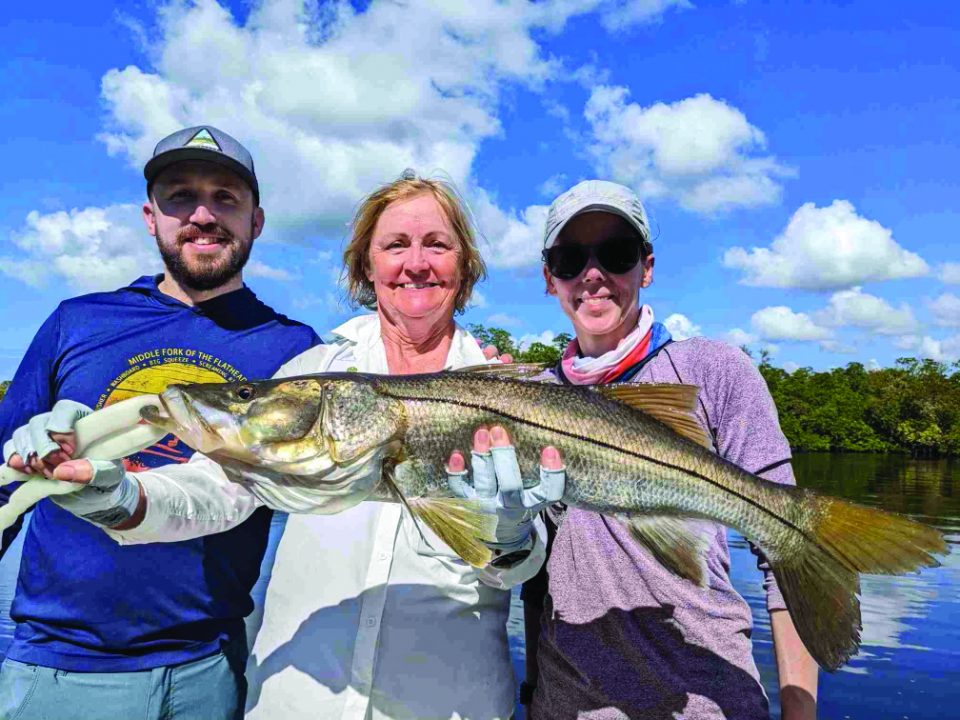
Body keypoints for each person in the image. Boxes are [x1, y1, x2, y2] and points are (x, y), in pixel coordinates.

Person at [9, 173, 564, 720]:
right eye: (394, 245)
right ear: (366, 266)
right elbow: (216, 488)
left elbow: (516, 567)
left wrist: (511, 536)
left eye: (437, 245)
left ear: (463, 265)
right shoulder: (313, 371)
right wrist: (121, 497)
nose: (414, 263)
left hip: (450, 705)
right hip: (297, 702)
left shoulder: (511, 392)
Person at [0, 126, 320, 720]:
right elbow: (3, 479)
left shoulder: (295, 352)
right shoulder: (79, 321)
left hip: (213, 668)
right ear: (151, 217)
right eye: (180, 197)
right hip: (59, 667)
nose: (203, 214)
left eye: (226, 198)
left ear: (258, 220)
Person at [520, 180, 819, 720]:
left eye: (616, 253)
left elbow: (786, 552)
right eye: (569, 259)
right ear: (550, 280)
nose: (592, 275)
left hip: (711, 704)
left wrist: (800, 712)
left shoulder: (714, 370)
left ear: (647, 267)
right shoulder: (525, 400)